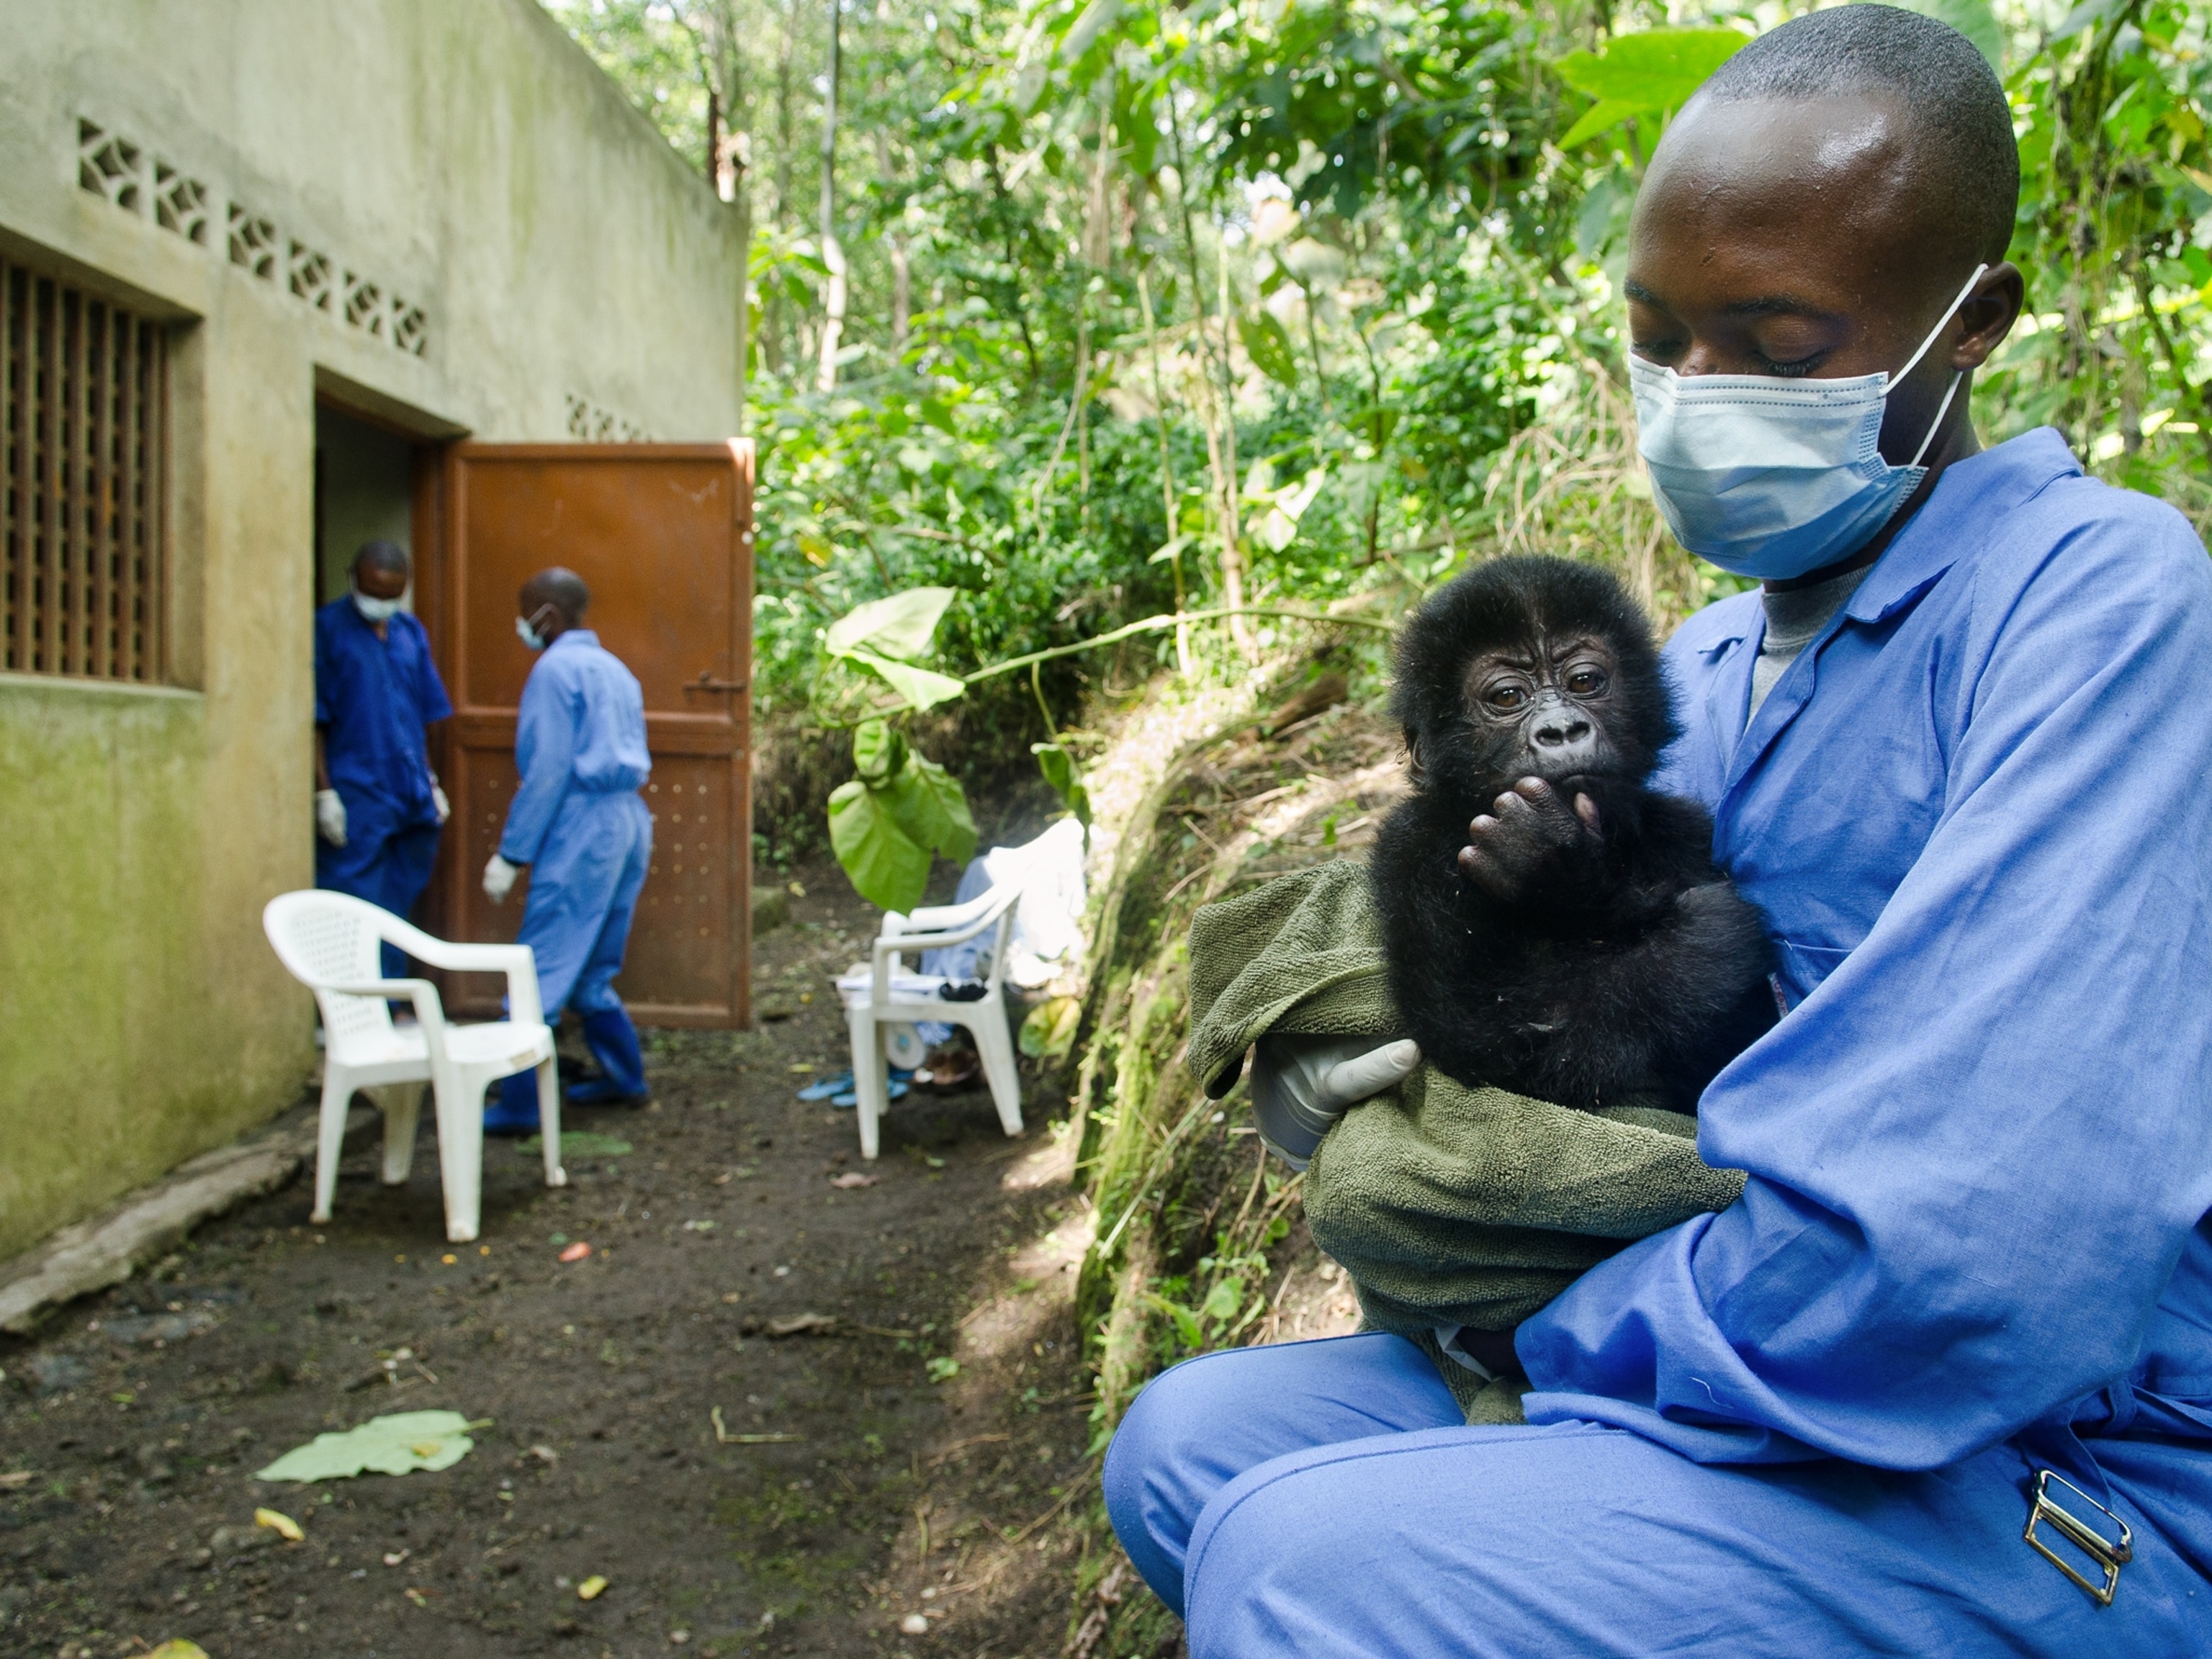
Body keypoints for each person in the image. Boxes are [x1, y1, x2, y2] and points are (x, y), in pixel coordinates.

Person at [1103, 9, 2212, 1653]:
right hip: (1725, 1344)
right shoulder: (1687, 665)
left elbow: (1981, 1251)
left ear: (1967, 324)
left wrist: (1551, 1330)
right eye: (1657, 338)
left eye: (1772, 346)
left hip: (2042, 1457)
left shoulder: (2098, 604)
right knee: (1185, 1446)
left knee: (1305, 1559)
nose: (1692, 398)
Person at [480, 567, 655, 1133]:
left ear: (546, 616)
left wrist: (512, 853)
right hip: (629, 819)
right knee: (594, 967)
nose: (520, 623)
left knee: (539, 970)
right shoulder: (615, 669)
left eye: (524, 610)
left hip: (584, 822)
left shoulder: (555, 671)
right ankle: (625, 1078)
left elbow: (549, 770)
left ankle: (519, 1106)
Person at [314, 539, 451, 978]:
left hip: (409, 787)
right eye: (374, 592)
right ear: (353, 579)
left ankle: (391, 1001)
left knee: (397, 902)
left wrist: (430, 780)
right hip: (357, 787)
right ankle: (346, 1006)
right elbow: (313, 719)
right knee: (352, 901)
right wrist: (324, 793)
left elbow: (422, 713)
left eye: (393, 594)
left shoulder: (410, 633)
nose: (382, 603)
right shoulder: (327, 630)